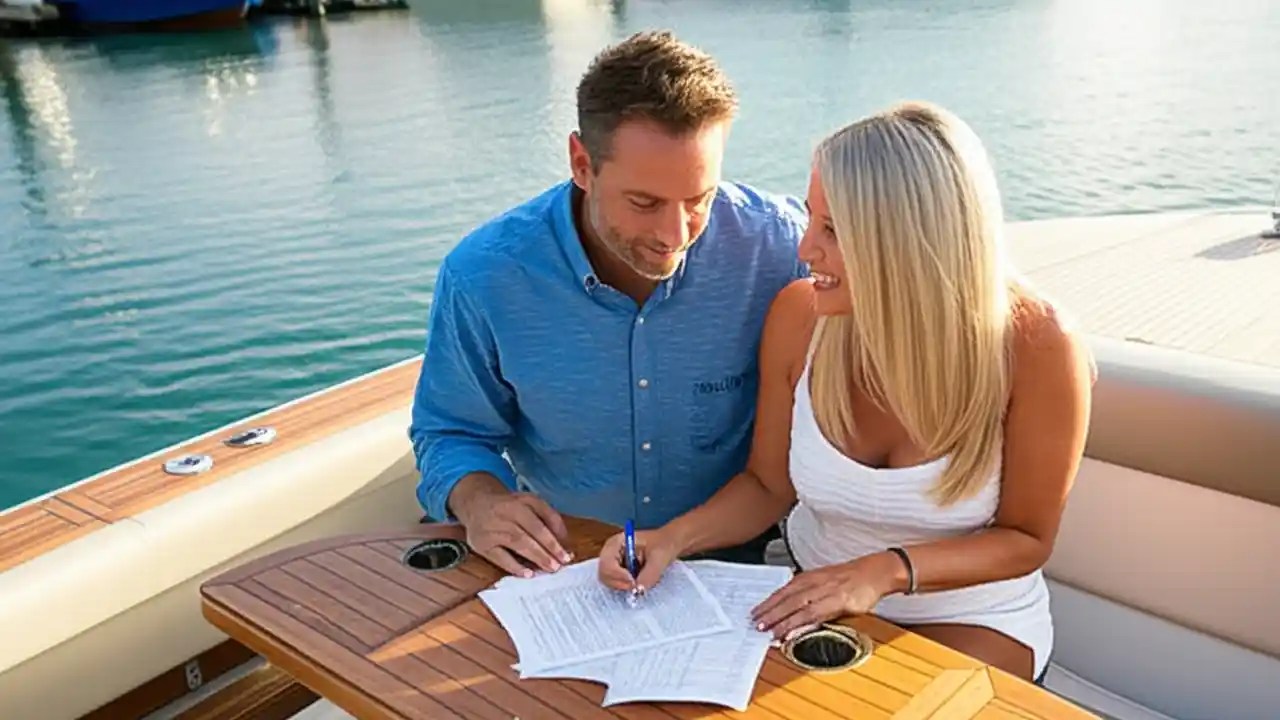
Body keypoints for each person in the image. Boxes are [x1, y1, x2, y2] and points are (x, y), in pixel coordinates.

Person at [596, 100, 1095, 684]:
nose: (806, 250)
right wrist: (670, 539)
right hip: (807, 605)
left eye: (832, 230)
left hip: (973, 618)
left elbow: (1026, 539)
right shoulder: (800, 315)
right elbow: (766, 486)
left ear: (908, 239)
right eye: (811, 219)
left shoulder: (1038, 344)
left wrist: (881, 572)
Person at [408, 30, 807, 580]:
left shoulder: (784, 247)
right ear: (581, 163)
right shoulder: (484, 276)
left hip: (744, 566)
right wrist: (480, 503)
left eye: (700, 199)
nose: (675, 234)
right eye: (644, 203)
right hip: (561, 571)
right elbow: (449, 431)